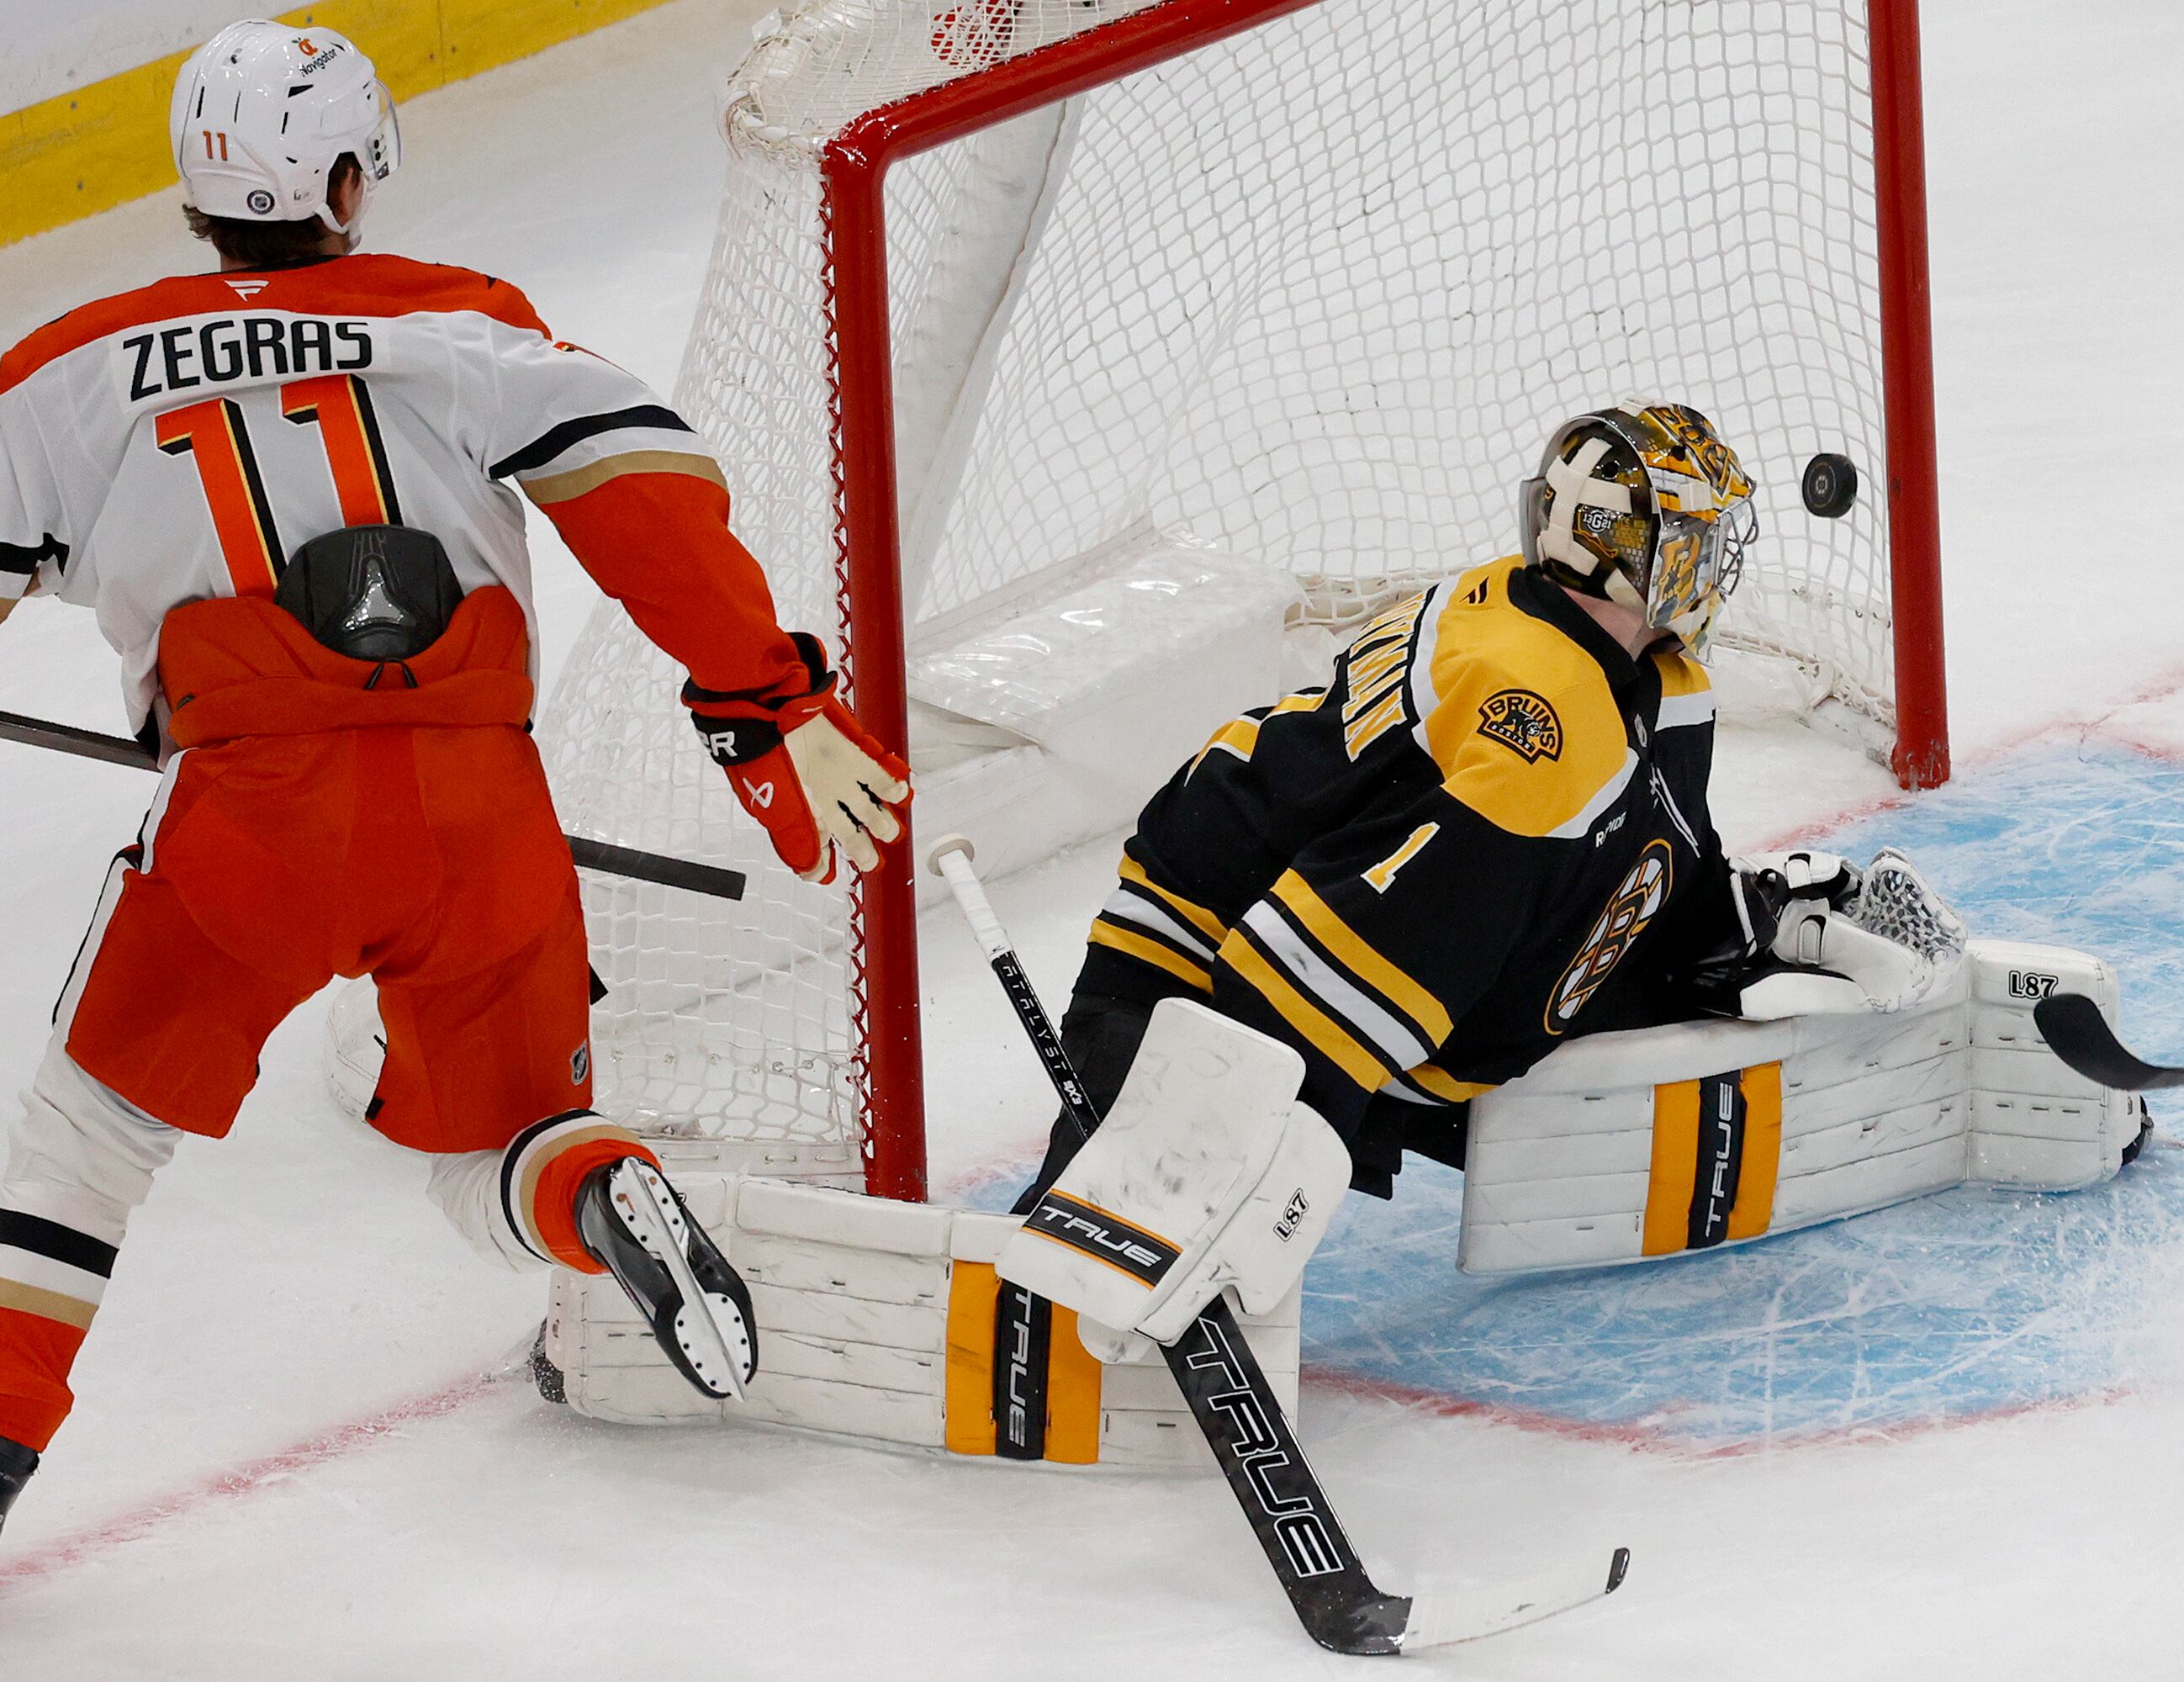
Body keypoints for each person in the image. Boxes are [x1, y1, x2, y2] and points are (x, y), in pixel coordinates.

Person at [0, 20, 910, 1533]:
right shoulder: (462, 325)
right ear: (348, 181)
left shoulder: (66, 370)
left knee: (88, 1139)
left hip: (250, 823)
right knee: (500, 1144)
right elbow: (649, 496)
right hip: (480, 812)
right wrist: (764, 704)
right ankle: (596, 1182)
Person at [1015, 399, 1943, 1212]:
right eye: (1698, 543)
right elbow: (1335, 961)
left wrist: (1745, 923)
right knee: (1142, 1198)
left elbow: (1608, 864)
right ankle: (1076, 1241)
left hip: (1357, 912)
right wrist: (1239, 1169)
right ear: (1629, 554)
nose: (1716, 567)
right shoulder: (1545, 714)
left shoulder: (1644, 675)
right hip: (1206, 944)